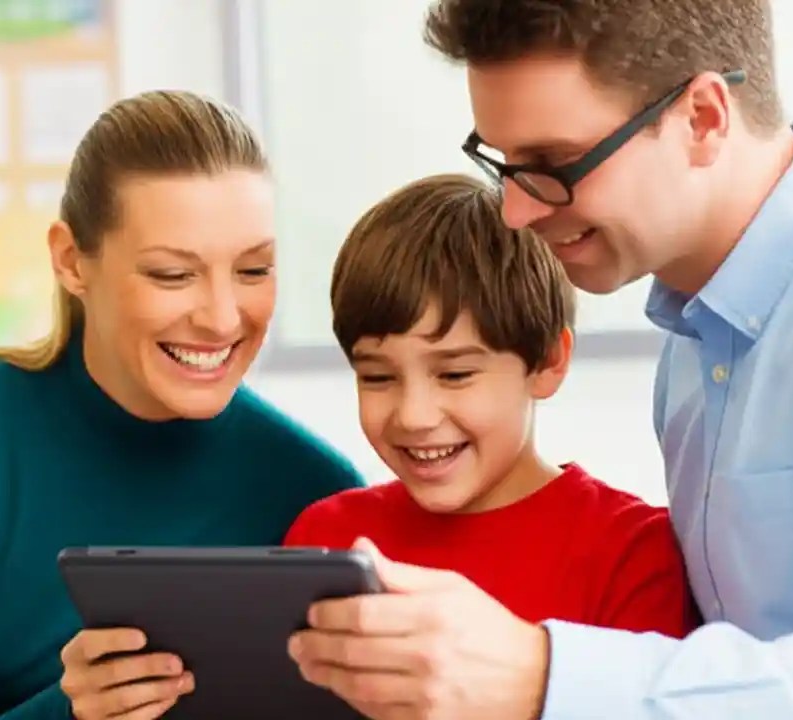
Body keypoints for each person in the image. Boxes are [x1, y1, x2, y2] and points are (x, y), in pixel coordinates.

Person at [288, 1, 793, 719]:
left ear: (702, 118)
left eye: (552, 164)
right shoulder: (695, 345)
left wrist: (540, 675)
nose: (515, 211)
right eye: (503, 164)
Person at [0, 90, 363, 720]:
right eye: (171, 274)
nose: (220, 317)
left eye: (252, 270)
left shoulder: (312, 494)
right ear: (72, 261)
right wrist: (70, 713)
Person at [282, 173, 696, 649]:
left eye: (455, 375)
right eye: (378, 377)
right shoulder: (328, 536)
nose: (413, 415)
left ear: (547, 362)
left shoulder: (631, 553)